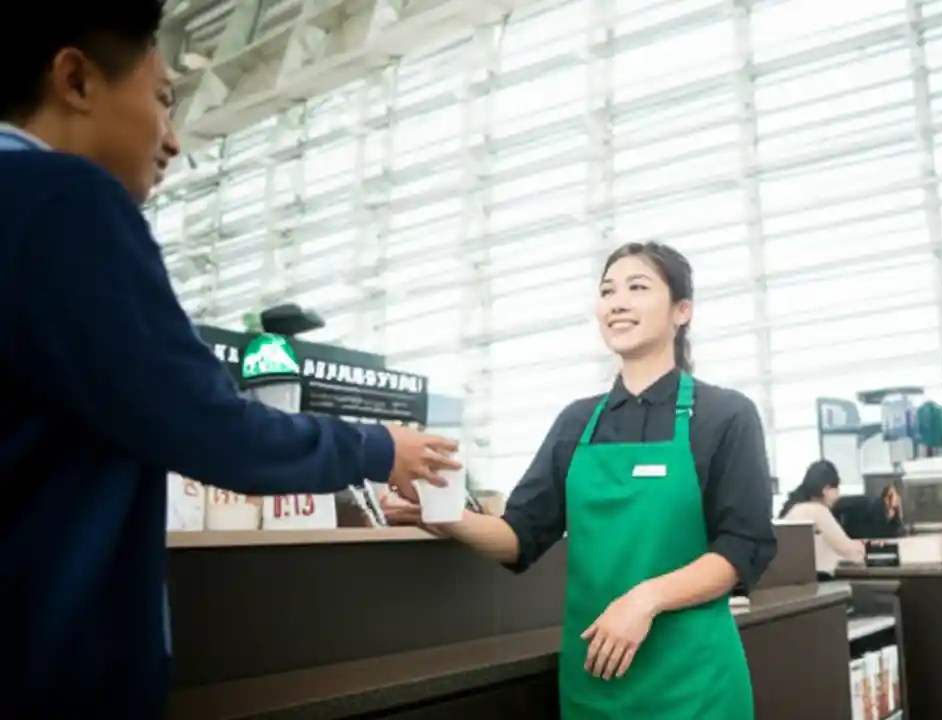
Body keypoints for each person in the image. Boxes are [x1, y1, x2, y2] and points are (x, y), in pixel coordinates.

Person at [0, 4, 459, 716]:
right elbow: (211, 426)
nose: (174, 140)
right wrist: (377, 447)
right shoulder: (64, 201)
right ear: (75, 80)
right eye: (161, 99)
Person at [425, 241, 776, 719]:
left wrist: (645, 599)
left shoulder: (724, 415)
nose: (617, 302)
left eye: (638, 287)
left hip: (695, 682)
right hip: (596, 682)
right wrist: (443, 514)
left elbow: (743, 546)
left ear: (682, 310)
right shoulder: (576, 422)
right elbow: (520, 536)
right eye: (608, 290)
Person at [778, 460, 866, 580]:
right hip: (817, 583)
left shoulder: (792, 509)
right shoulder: (817, 511)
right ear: (826, 489)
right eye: (836, 488)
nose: (838, 495)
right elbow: (851, 552)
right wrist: (863, 546)